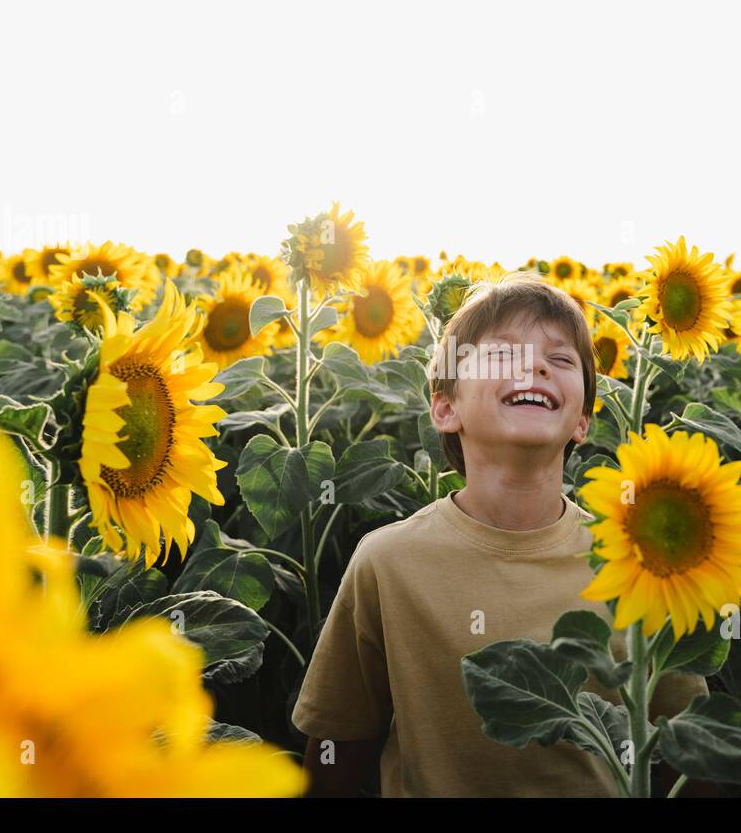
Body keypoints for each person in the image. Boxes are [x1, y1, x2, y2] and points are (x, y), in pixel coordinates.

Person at [291, 271, 708, 796]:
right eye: (503, 356)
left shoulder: (640, 561)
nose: (533, 366)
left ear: (582, 418)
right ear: (445, 407)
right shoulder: (388, 562)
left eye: (559, 360)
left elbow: (687, 753)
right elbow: (337, 751)